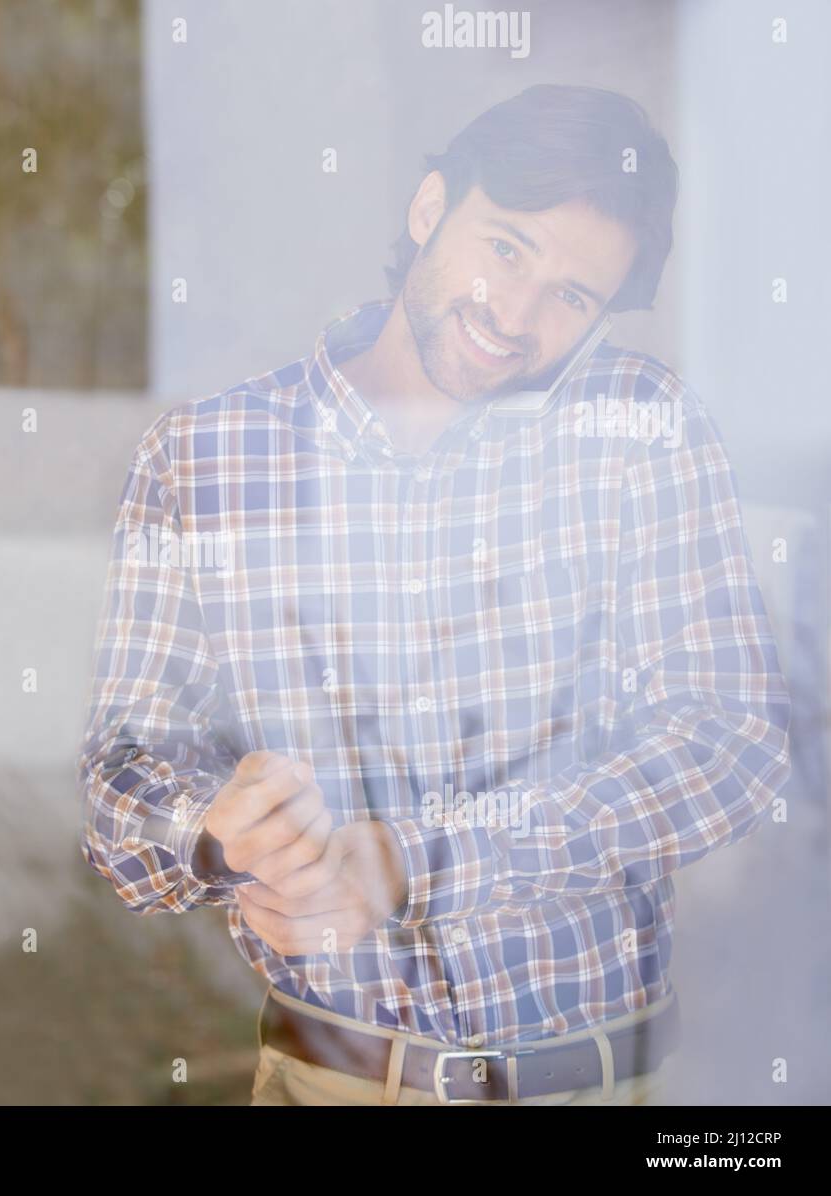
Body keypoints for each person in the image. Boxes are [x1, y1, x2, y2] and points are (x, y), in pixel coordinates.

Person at [77, 84, 791, 1105]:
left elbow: (729, 741)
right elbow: (120, 792)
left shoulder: (643, 429)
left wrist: (422, 859)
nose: (515, 316)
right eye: (505, 247)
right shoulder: (204, 460)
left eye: (572, 295)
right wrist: (214, 832)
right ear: (428, 210)